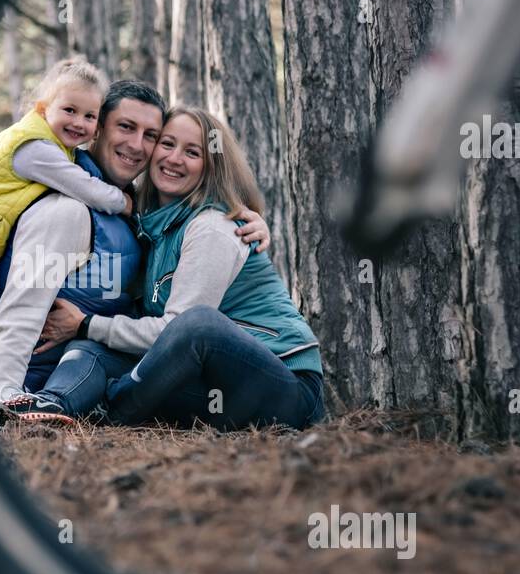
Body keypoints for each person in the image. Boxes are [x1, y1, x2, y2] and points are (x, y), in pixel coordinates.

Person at [23, 105, 325, 431]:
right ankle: (48, 407)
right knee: (92, 349)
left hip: (285, 386)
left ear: (211, 168)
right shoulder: (153, 223)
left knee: (198, 323)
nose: (174, 158)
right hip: (216, 389)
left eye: (192, 152)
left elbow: (179, 329)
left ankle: (111, 410)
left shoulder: (212, 227)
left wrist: (85, 323)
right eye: (167, 144)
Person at [0, 82, 273, 407]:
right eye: (126, 127)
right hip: (41, 393)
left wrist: (243, 218)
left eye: (150, 136)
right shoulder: (67, 208)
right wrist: (1, 398)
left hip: (97, 385)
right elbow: (19, 310)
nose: (136, 145)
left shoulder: (133, 211)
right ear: (97, 129)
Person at [0, 58, 130, 379]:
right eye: (69, 110)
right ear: (43, 108)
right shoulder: (35, 147)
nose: (78, 122)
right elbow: (85, 188)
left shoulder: (56, 146)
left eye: (89, 116)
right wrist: (123, 201)